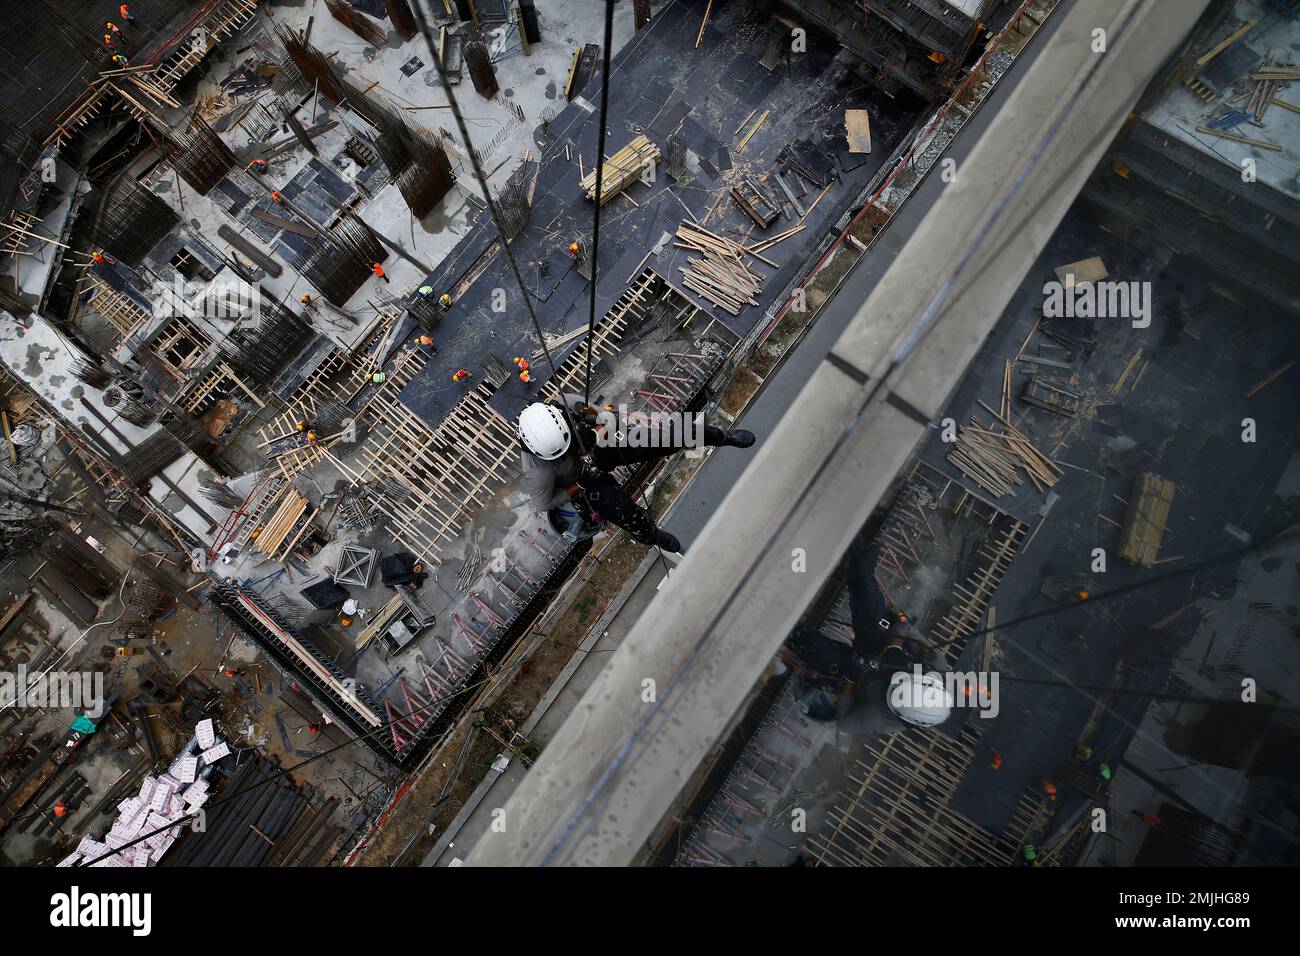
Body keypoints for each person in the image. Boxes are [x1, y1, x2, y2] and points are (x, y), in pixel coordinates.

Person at [517, 395, 755, 554]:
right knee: (623, 512)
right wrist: (579, 484)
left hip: (602, 445)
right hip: (583, 480)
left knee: (670, 437)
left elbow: (608, 418)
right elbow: (544, 503)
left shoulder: (566, 403)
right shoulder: (538, 472)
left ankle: (721, 437)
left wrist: (596, 430)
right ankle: (650, 535)